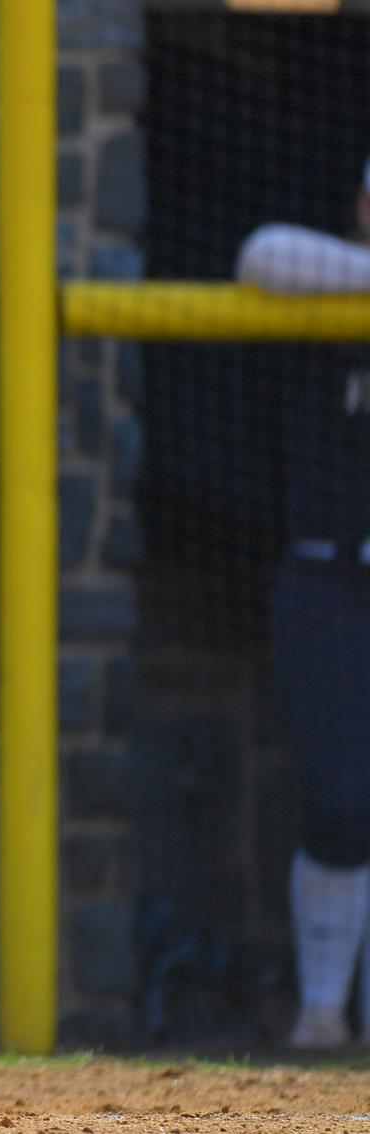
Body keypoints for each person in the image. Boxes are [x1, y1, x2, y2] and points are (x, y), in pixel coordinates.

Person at [234, 158, 370, 1050]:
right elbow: (259, 256)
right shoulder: (325, 275)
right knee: (340, 801)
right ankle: (322, 1014)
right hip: (327, 579)